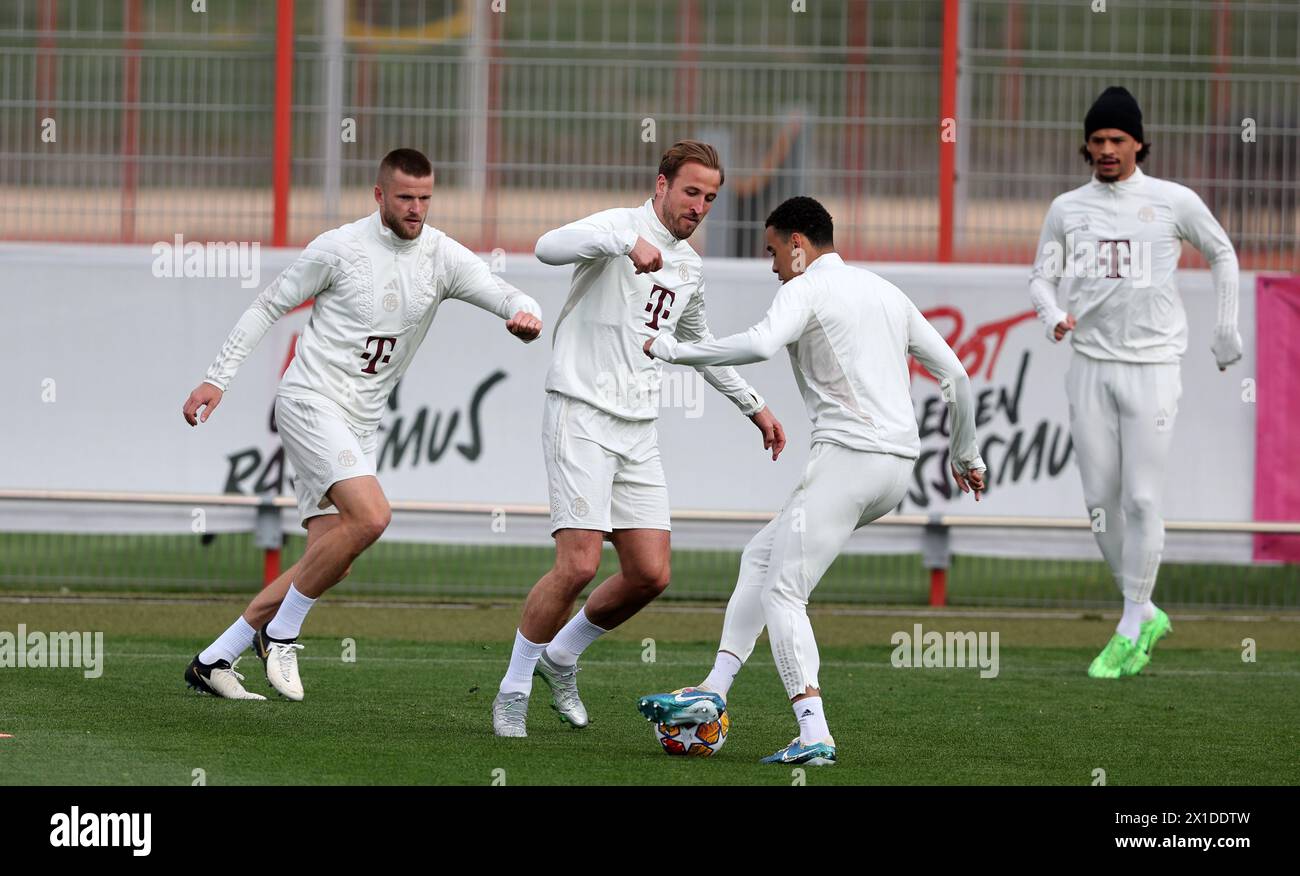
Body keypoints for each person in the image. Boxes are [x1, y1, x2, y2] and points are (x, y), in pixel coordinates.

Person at [181, 148, 542, 700]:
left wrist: (524, 313)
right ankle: (280, 635)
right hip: (309, 402)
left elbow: (505, 292)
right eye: (405, 197)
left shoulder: (441, 256)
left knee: (334, 559)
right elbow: (267, 306)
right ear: (379, 196)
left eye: (425, 198)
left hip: (359, 422)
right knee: (372, 516)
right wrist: (216, 379)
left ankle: (215, 658)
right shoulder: (339, 248)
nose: (416, 208)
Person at [638, 196, 986, 764]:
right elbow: (956, 375)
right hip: (896, 469)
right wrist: (966, 453)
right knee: (760, 559)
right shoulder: (884, 291)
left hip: (849, 460)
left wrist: (671, 348)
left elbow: (758, 344)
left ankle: (814, 732)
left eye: (773, 251)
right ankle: (713, 689)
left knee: (784, 591)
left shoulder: (803, 289)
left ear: (798, 245)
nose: (772, 266)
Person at [492, 141, 786, 737]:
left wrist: (753, 405)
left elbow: (703, 346)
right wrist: (625, 243)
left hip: (638, 427)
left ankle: (562, 657)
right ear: (661, 186)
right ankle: (513, 689)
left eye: (710, 197)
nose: (699, 205)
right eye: (691, 191)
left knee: (650, 574)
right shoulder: (618, 227)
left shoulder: (690, 267)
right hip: (579, 412)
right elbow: (547, 247)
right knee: (577, 565)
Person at [1028, 86, 1242, 679]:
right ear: (1086, 145)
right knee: (1100, 503)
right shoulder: (1067, 208)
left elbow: (1223, 252)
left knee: (1141, 497)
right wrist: (1052, 316)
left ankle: (1127, 626)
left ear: (1138, 142)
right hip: (1090, 365)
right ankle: (1144, 609)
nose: (1106, 149)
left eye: (1117, 139)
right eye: (1096, 140)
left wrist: (1225, 330)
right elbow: (1041, 279)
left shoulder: (1173, 201)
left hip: (1152, 366)